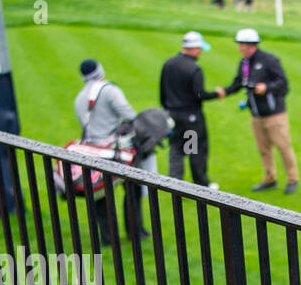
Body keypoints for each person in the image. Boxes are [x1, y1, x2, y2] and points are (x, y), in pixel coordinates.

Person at [74, 58, 154, 241]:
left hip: (92, 151)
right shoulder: (109, 90)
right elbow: (130, 115)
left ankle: (108, 236)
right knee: (132, 189)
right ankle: (136, 232)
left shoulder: (79, 97)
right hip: (117, 151)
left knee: (101, 193)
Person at [224, 28, 299, 194]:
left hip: (274, 115)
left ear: (251, 45)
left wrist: (266, 88)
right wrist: (224, 91)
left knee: (283, 146)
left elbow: (283, 84)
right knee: (264, 149)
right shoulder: (244, 63)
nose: (239, 48)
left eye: (241, 45)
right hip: (256, 115)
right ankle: (269, 179)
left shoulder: (269, 60)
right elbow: (238, 83)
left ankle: (293, 179)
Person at [160, 31, 226, 189]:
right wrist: (216, 94)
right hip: (191, 118)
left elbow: (162, 92)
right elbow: (199, 94)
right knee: (194, 150)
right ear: (194, 48)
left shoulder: (168, 63)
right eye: (199, 49)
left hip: (172, 115)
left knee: (176, 149)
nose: (200, 53)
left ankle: (175, 184)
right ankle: (201, 185)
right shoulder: (194, 68)